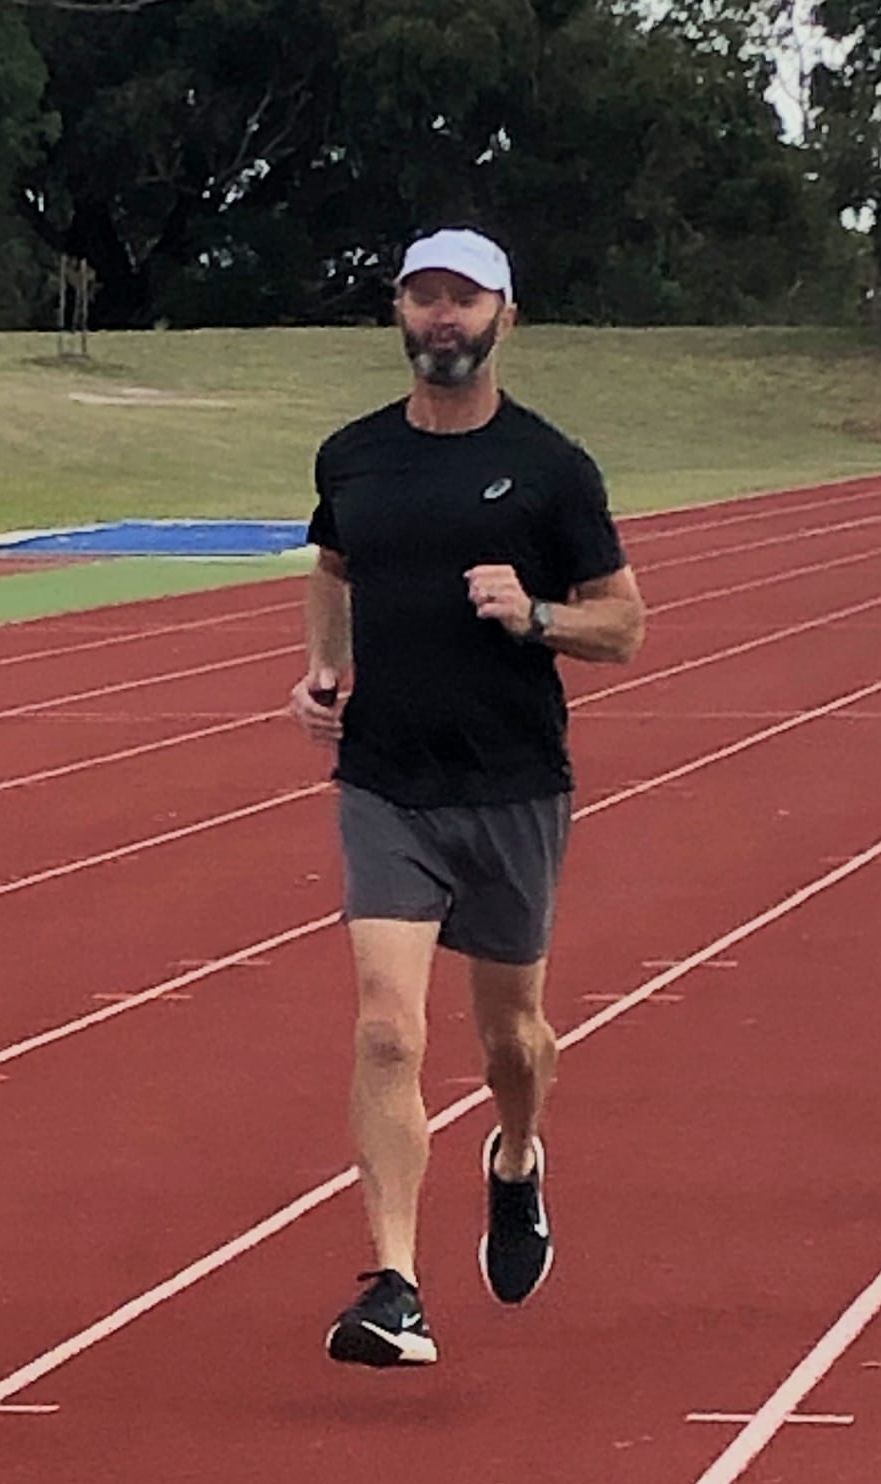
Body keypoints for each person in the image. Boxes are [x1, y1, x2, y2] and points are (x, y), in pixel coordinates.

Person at [289, 227, 646, 1368]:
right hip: (387, 782)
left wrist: (537, 616)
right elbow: (333, 565)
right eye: (423, 297)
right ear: (397, 311)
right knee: (389, 1029)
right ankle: (394, 1285)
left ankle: (516, 1155)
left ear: (504, 315)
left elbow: (625, 626)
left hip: (510, 785)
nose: (442, 318)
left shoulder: (551, 468)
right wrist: (324, 668)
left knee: (511, 1040)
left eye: (464, 299)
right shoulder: (350, 457)